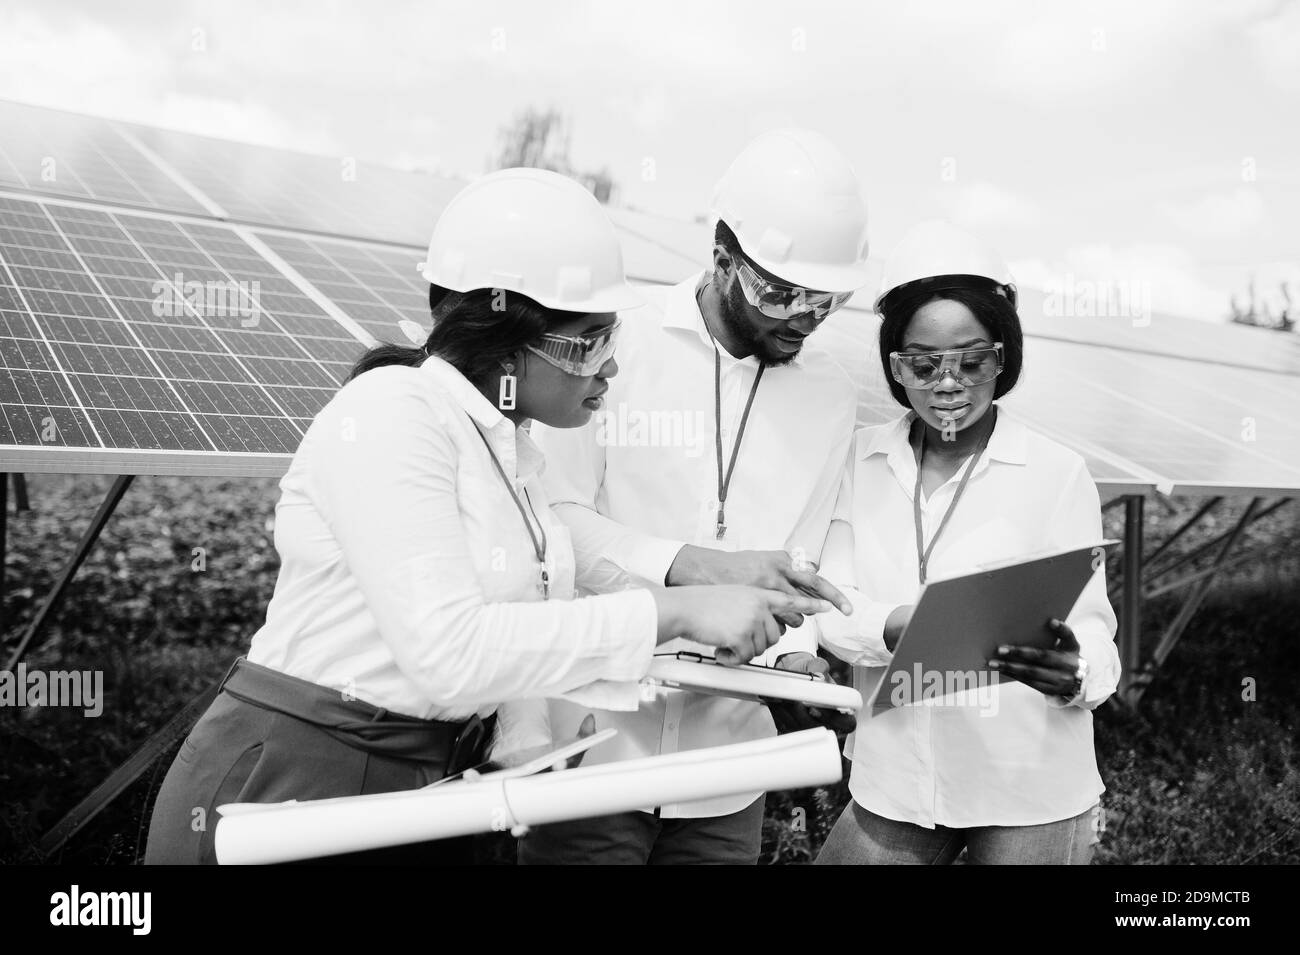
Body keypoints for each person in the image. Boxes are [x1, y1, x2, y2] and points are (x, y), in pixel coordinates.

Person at [143, 168, 828, 865]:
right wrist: (676, 613)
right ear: (505, 340)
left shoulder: (516, 457)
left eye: (610, 338)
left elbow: (528, 637)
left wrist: (712, 637)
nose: (610, 370)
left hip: (427, 786)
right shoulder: (394, 414)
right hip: (301, 781)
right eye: (587, 343)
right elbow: (449, 652)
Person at [510, 129, 870, 866]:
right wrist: (687, 566)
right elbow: (552, 525)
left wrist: (797, 654)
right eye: (779, 290)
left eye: (826, 299)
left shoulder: (832, 395)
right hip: (593, 745)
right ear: (722, 256)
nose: (802, 313)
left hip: (728, 771)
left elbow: (799, 559)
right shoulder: (612, 350)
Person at [811, 220, 1121, 865]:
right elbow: (831, 603)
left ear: (1003, 357)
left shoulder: (1055, 473)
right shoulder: (856, 463)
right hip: (894, 779)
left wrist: (1076, 672)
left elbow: (1095, 637)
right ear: (894, 366)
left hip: (1027, 789)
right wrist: (904, 626)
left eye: (971, 361)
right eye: (922, 364)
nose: (947, 383)